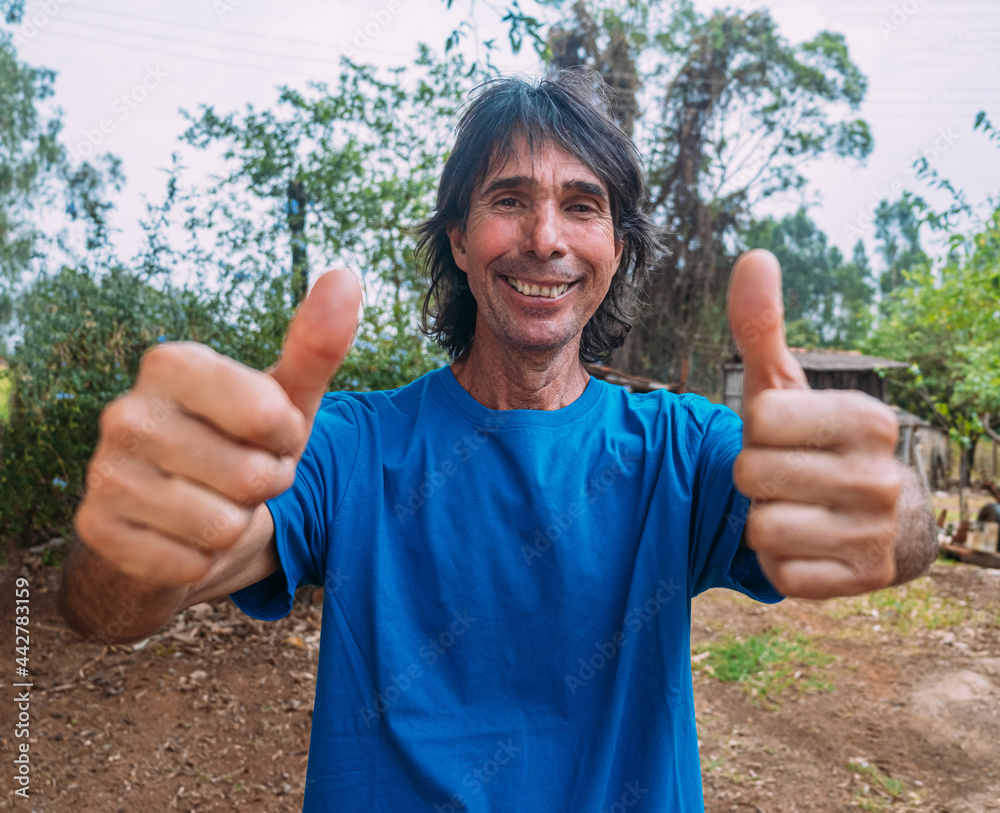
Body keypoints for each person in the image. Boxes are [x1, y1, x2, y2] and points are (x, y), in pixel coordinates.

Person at [60, 71, 937, 811]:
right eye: (509, 200)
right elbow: (115, 606)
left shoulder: (682, 449)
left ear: (618, 251)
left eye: (581, 205)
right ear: (460, 240)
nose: (545, 237)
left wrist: (883, 498)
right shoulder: (348, 447)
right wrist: (139, 540)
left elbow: (900, 532)